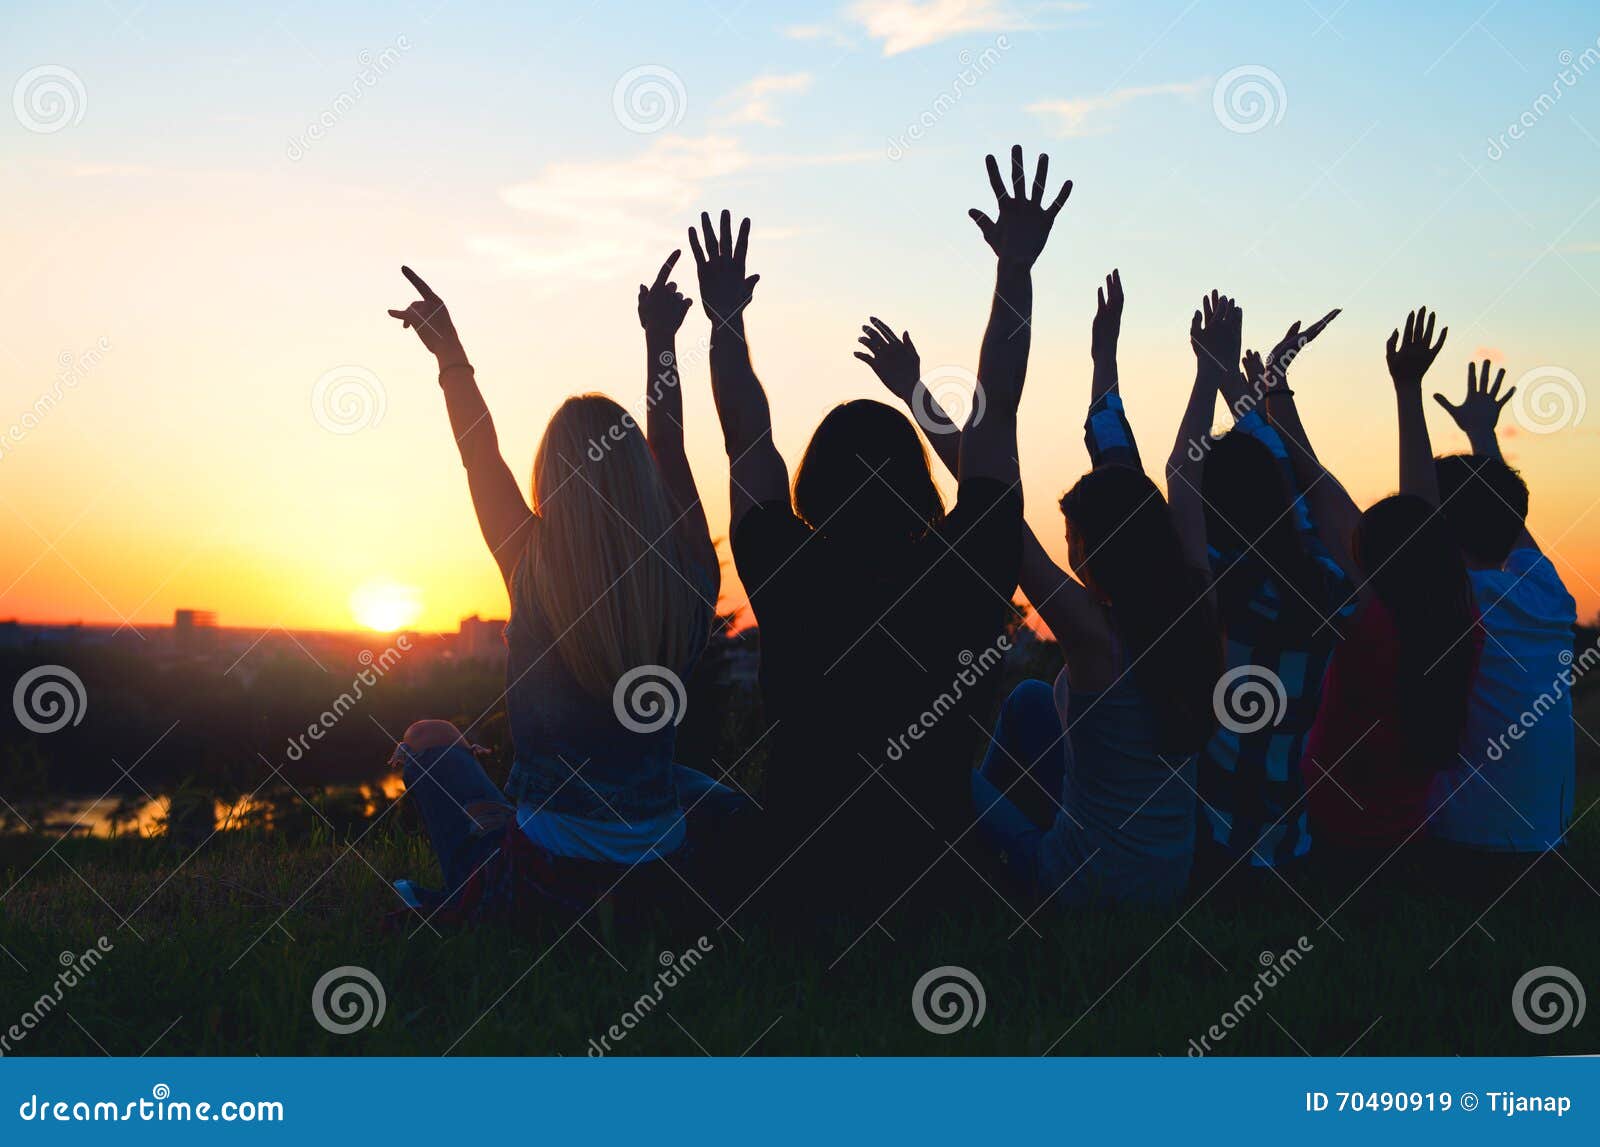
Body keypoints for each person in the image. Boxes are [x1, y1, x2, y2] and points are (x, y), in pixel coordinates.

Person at [704, 149, 1058, 914]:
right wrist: (1016, 269)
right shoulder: (967, 570)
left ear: (815, 489)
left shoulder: (783, 564)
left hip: (798, 887)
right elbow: (998, 407)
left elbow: (745, 437)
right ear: (919, 488)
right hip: (937, 884)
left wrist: (726, 319)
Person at [383, 257, 739, 919]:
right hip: (663, 880)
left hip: (542, 885)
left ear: (552, 479)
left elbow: (479, 452)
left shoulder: (531, 562)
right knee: (696, 790)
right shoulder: (690, 571)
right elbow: (672, 446)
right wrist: (660, 338)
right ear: (641, 478)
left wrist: (450, 352)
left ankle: (454, 901)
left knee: (431, 737)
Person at [861, 268, 1219, 908]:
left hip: (1085, 888)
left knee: (944, 769)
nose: (1068, 552)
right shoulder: (1194, 601)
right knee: (1029, 700)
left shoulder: (1093, 636)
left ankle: (968, 865)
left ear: (1096, 553)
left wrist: (913, 390)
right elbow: (1177, 473)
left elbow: (989, 501)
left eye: (1074, 539)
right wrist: (1136, 364)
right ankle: (986, 845)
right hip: (1170, 875)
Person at [1168, 301, 1361, 880]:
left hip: (1209, 854)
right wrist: (1249, 385)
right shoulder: (1328, 588)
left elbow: (1182, 474)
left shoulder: (1219, 591)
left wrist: (1213, 372)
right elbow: (1305, 494)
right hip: (1288, 852)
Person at [1301, 309, 1480, 865]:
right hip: (1403, 835)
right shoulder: (1460, 620)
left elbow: (1317, 483)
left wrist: (1268, 395)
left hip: (1330, 835)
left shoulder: (1368, 625)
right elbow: (1424, 526)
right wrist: (1408, 389)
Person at [1424, 362, 1577, 857]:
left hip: (1464, 845)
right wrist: (1482, 434)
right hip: (1544, 843)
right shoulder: (1548, 595)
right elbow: (1507, 519)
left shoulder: (1458, 597)